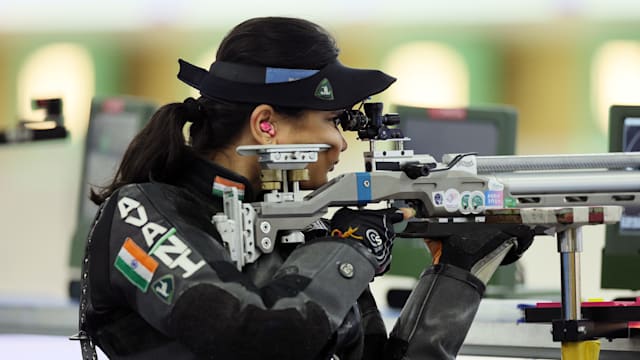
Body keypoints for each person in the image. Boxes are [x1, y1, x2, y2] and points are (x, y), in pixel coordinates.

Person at [76, 17, 534, 360]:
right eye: (333, 121)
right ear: (266, 124)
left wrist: (461, 269)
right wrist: (352, 250)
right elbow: (256, 336)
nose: (341, 141)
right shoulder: (139, 212)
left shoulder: (301, 225)